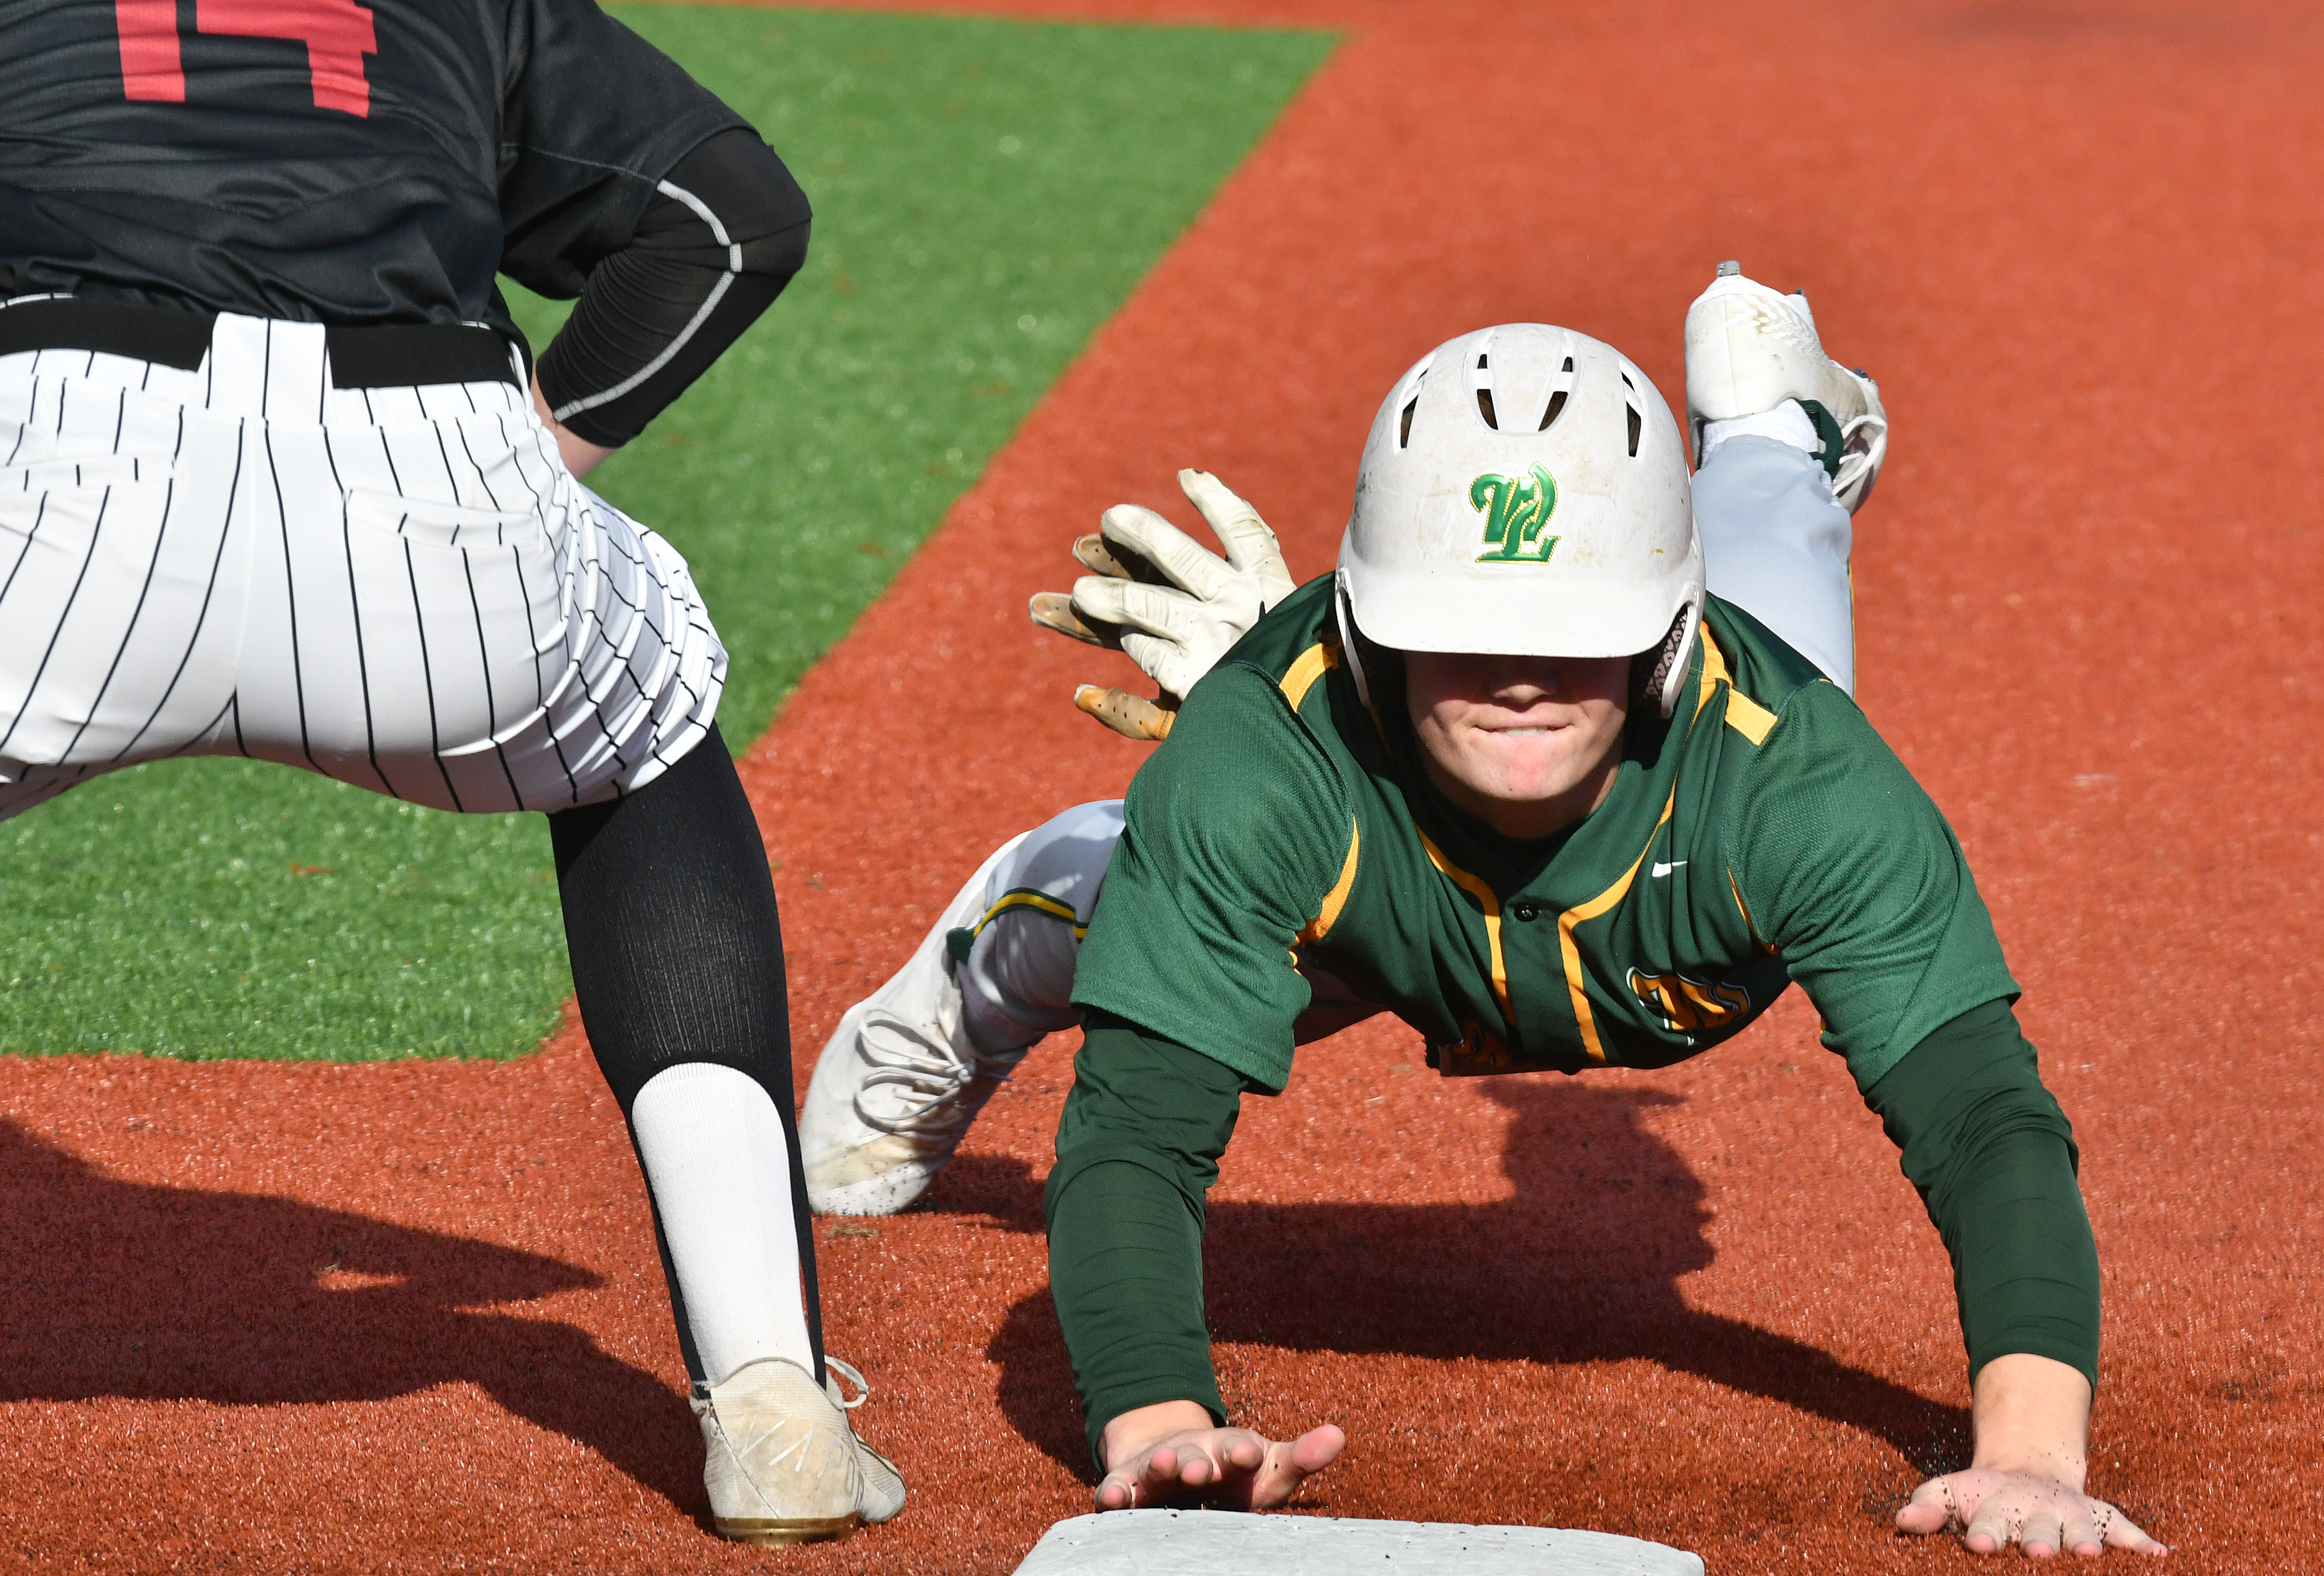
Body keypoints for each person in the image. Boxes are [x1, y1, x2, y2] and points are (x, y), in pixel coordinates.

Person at [799, 267, 2166, 1558]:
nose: (1521, 675)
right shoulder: (1263, 765)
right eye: (1463, 623)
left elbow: (1986, 1118)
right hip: (1369, 924)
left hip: (1682, 791)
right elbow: (1136, 1133)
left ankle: (1769, 427)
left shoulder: (1802, 785)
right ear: (1375, 629)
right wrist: (1162, 1427)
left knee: (1777, 568)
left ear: (1666, 635)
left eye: (1577, 629)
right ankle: (991, 943)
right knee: (1115, 912)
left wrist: (2036, 1456)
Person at [0, 0, 895, 1545]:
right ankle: (770, 1388)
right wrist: (535, 453)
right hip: (435, 498)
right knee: (648, 723)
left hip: (52, 478)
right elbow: (733, 222)